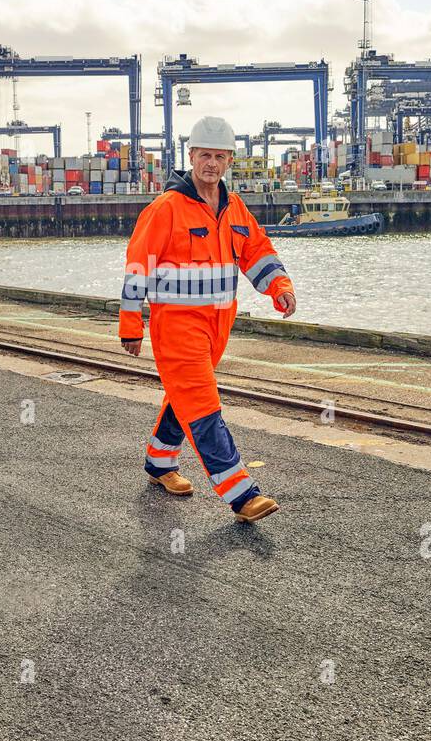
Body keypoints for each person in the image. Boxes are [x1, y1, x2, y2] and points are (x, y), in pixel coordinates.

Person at [119, 116, 297, 522]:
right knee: (202, 404)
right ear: (191, 156)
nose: (211, 164)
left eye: (219, 157)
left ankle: (159, 464)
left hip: (218, 327)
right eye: (205, 156)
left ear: (230, 160)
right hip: (177, 327)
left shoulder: (234, 207)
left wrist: (279, 288)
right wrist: (132, 324)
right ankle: (242, 495)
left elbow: (257, 252)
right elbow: (138, 267)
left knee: (182, 397)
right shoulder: (166, 209)